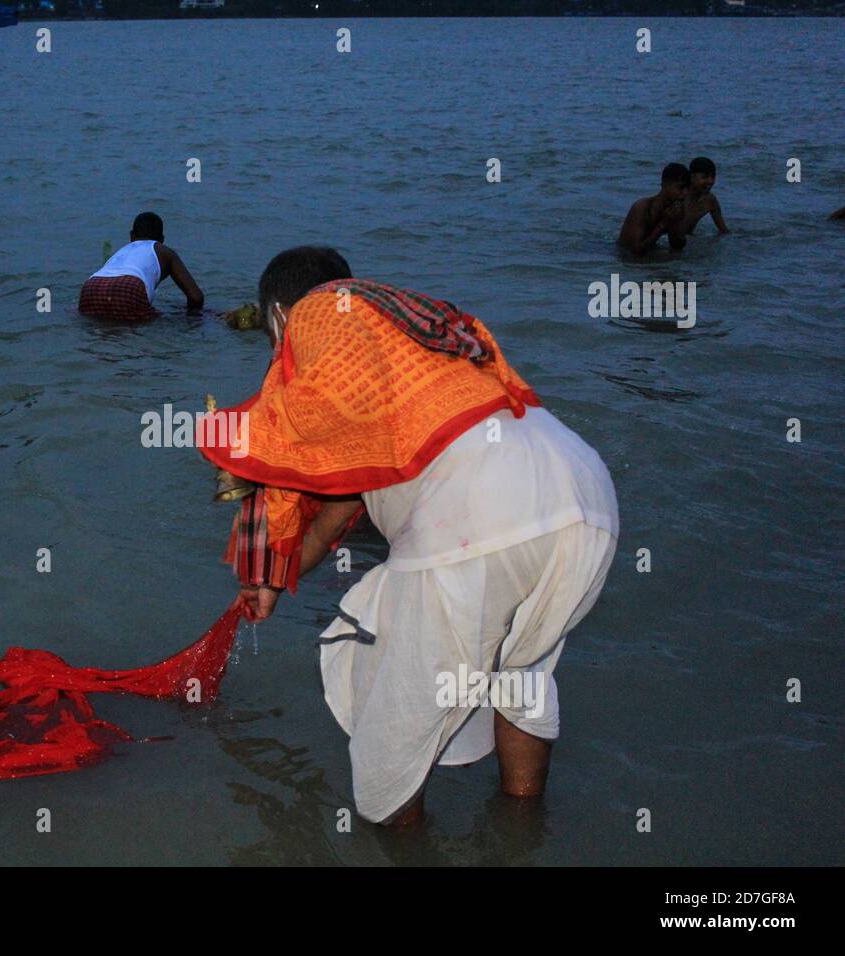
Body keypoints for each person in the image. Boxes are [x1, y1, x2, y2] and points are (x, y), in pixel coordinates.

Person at [198, 247, 619, 827]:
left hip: (480, 512)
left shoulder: (321, 315)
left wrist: (241, 450)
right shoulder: (404, 331)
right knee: (522, 676)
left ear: (277, 314)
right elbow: (341, 502)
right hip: (582, 495)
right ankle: (521, 832)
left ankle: (407, 844)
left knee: (389, 746)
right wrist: (275, 579)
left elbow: (292, 433)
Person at [77, 212, 203, 320]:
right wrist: (191, 316)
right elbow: (196, 297)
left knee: (102, 325)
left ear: (132, 235)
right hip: (130, 286)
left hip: (92, 286)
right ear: (162, 239)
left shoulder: (122, 250)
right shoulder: (163, 251)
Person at [617, 163, 690, 254]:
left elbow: (677, 246)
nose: (685, 193)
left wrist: (673, 223)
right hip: (625, 255)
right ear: (665, 184)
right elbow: (635, 251)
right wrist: (664, 222)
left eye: (688, 188)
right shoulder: (642, 208)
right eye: (681, 187)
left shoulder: (677, 207)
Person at [680, 156, 730, 236]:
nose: (711, 181)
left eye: (713, 177)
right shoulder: (679, 196)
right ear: (691, 177)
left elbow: (724, 230)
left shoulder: (710, 200)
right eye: (705, 177)